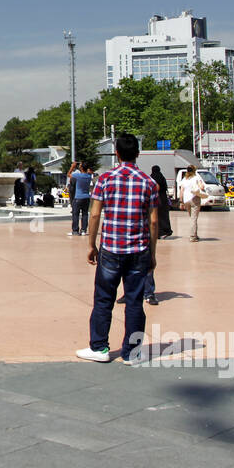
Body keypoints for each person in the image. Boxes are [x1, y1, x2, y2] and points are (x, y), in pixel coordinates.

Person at [76, 132, 159, 364]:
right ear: (138, 154)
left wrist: (92, 245)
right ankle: (131, 353)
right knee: (134, 302)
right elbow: (153, 221)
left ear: (117, 153)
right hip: (138, 250)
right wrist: (152, 253)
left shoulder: (105, 179)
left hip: (111, 249)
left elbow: (94, 215)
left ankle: (100, 348)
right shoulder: (149, 183)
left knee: (103, 299)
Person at [178, 165, 207, 241]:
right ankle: (193, 236)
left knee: (192, 218)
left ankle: (195, 234)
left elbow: (181, 191)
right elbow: (202, 187)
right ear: (194, 170)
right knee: (194, 218)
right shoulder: (197, 177)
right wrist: (202, 186)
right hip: (194, 199)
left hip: (186, 200)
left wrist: (181, 202)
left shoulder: (184, 179)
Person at [68, 163, 94, 236]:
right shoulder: (89, 176)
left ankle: (75, 230)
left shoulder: (78, 175)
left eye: (80, 165)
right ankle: (83, 230)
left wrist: (72, 167)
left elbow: (68, 174)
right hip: (86, 197)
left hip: (78, 197)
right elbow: (91, 172)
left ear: (82, 168)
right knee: (85, 214)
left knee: (75, 214)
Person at [150, 166, 173, 239]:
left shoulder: (151, 177)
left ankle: (157, 232)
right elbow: (164, 187)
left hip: (155, 198)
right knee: (163, 216)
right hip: (163, 199)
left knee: (155, 216)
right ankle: (165, 231)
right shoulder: (162, 177)